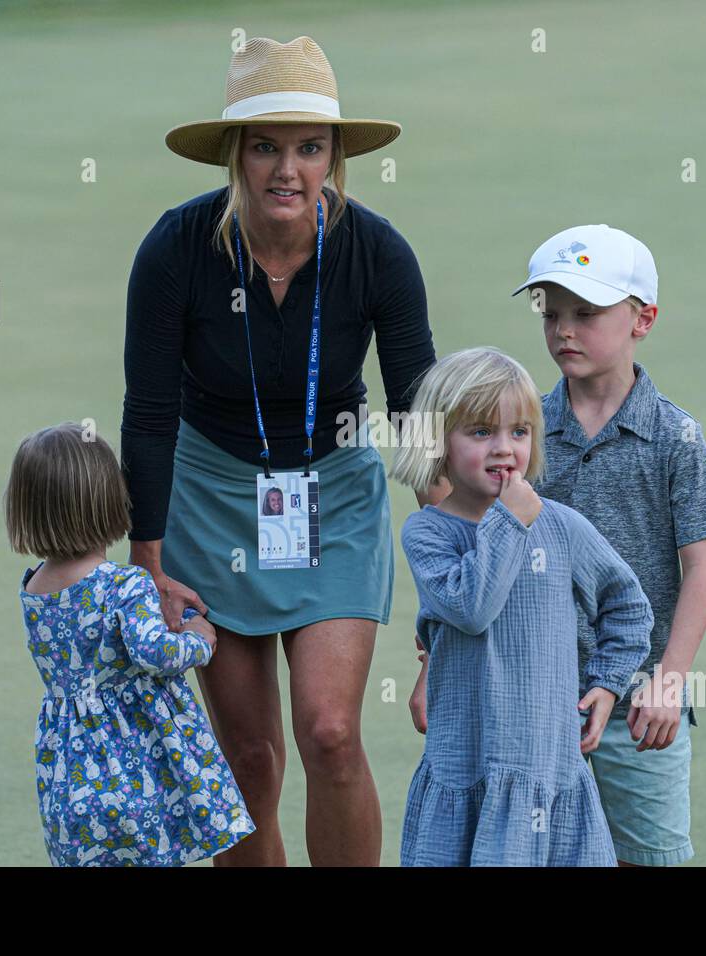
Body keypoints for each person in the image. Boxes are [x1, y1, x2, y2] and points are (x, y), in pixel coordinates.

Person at [121, 36, 435, 865]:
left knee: (331, 733)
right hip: (209, 496)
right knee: (249, 759)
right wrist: (145, 563)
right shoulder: (175, 250)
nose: (288, 170)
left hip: (333, 494)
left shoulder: (380, 254)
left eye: (309, 147)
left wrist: (455, 555)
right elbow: (149, 412)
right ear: (234, 154)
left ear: (335, 154)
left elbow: (418, 418)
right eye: (265, 146)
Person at [411, 225, 706, 866]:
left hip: (636, 705)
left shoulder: (675, 436)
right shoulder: (517, 428)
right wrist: (431, 667)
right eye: (550, 312)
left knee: (650, 856)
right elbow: (466, 560)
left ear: (642, 319)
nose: (564, 329)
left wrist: (668, 680)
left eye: (586, 314)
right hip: (521, 705)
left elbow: (700, 565)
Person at [389, 348, 653, 866]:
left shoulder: (559, 525)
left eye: (519, 432)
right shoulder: (428, 533)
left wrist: (605, 684)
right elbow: (470, 606)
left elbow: (628, 606)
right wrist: (508, 521)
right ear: (438, 442)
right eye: (481, 432)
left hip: (546, 766)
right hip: (464, 766)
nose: (504, 449)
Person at [4, 422, 254, 866]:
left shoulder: (33, 589)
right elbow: (154, 652)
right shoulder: (124, 584)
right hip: (132, 765)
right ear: (107, 502)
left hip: (68, 769)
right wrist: (199, 641)